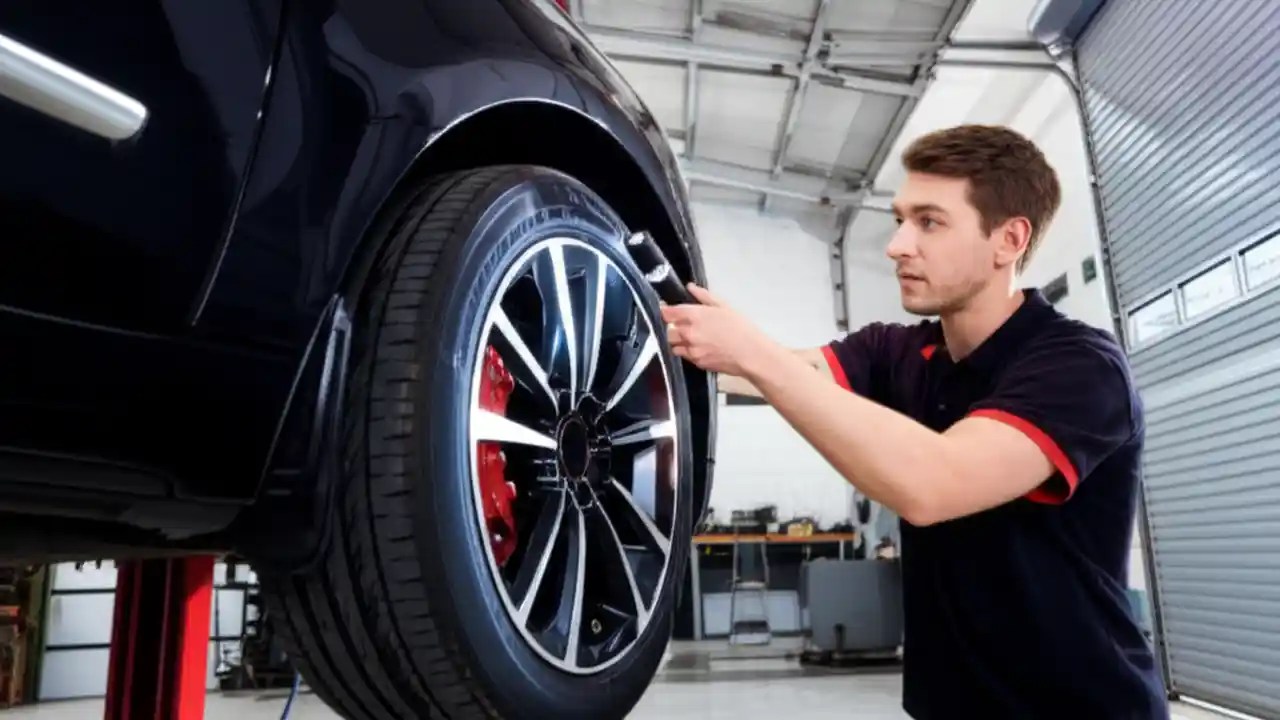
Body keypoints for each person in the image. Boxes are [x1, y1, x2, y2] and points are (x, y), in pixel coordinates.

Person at [661, 124, 1169, 719]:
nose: (898, 245)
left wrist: (748, 350)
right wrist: (661, 328)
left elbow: (935, 483)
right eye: (901, 219)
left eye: (929, 222)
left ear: (1008, 239)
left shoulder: (1079, 366)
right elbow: (763, 373)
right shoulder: (897, 353)